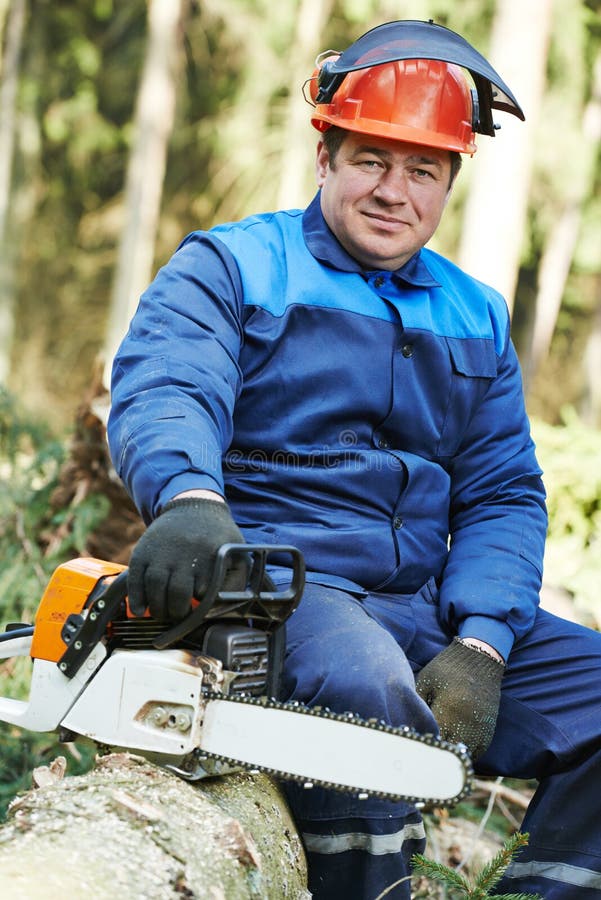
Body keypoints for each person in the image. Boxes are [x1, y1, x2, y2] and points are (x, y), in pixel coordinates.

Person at [107, 19, 601, 900]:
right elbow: (169, 384)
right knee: (363, 688)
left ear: (449, 180)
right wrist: (187, 496)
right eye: (371, 158)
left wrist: (484, 642)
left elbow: (502, 493)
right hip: (281, 591)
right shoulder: (233, 267)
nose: (393, 191)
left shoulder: (475, 314)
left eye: (422, 169)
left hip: (423, 602)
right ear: (326, 155)